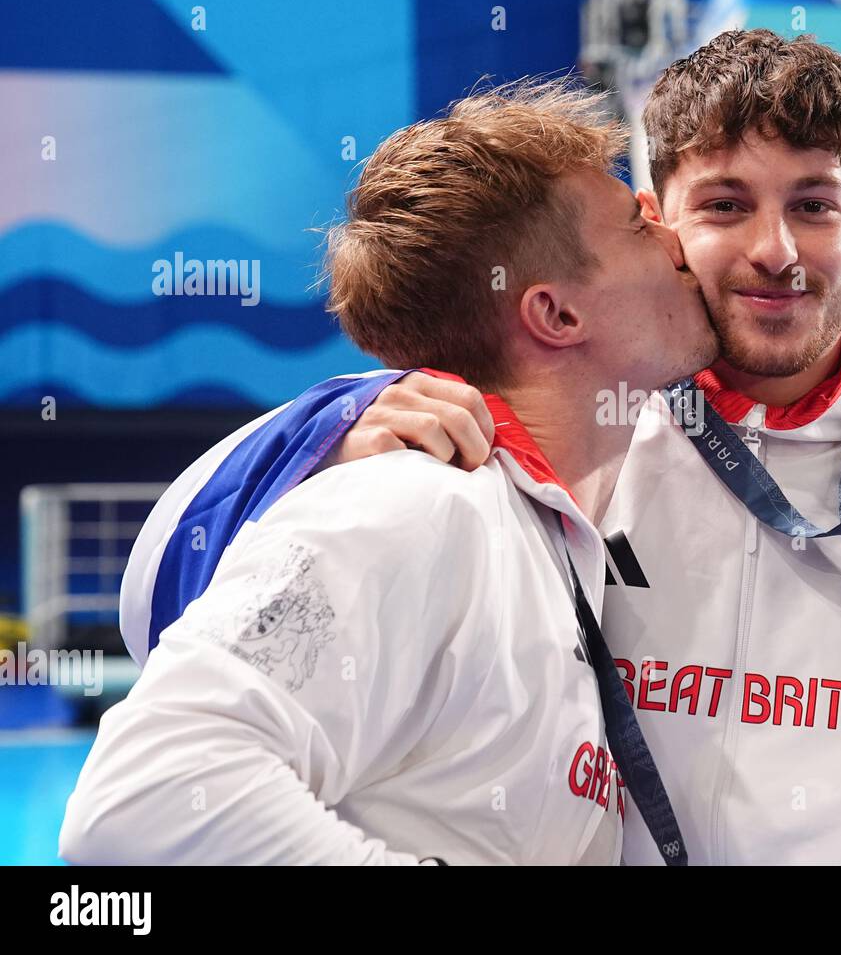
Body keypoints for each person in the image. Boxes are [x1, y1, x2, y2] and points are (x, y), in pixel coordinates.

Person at [119, 31, 841, 865]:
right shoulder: (514, 463)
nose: (776, 252)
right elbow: (183, 616)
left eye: (813, 206)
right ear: (663, 222)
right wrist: (324, 437)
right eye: (724, 206)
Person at [59, 79, 718, 865]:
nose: (671, 234)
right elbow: (141, 800)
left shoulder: (539, 532)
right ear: (555, 314)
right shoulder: (414, 504)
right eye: (634, 226)